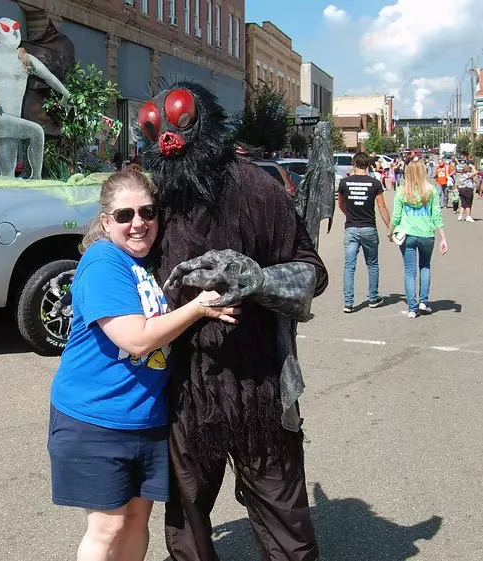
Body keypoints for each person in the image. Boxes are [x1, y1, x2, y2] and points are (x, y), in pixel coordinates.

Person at [141, 82, 328, 561]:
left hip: (260, 385)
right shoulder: (154, 203)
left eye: (178, 119)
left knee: (284, 516)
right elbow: (120, 263)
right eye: (153, 126)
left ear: (203, 120)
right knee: (186, 518)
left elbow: (311, 272)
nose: (167, 136)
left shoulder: (257, 189)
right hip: (185, 388)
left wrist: (260, 279)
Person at [48, 169, 239, 561]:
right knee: (107, 527)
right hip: (95, 417)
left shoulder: (147, 261)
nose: (138, 223)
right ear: (105, 221)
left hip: (145, 419)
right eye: (124, 215)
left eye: (147, 212)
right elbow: (135, 339)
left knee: (137, 520)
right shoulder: (104, 262)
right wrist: (199, 306)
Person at [390, 160, 448, 318]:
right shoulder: (431, 190)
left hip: (407, 234)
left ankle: (412, 308)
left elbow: (396, 216)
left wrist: (390, 231)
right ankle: (423, 301)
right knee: (425, 266)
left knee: (409, 271)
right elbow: (436, 215)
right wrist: (443, 237)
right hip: (426, 234)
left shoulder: (402, 190)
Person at [337, 152, 392, 313]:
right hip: (369, 227)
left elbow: (340, 204)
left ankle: (348, 303)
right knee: (372, 264)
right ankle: (373, 298)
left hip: (351, 228)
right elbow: (382, 207)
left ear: (354, 164)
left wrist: (350, 215)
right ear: (367, 165)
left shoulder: (344, 183)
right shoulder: (374, 183)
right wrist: (389, 227)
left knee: (349, 266)